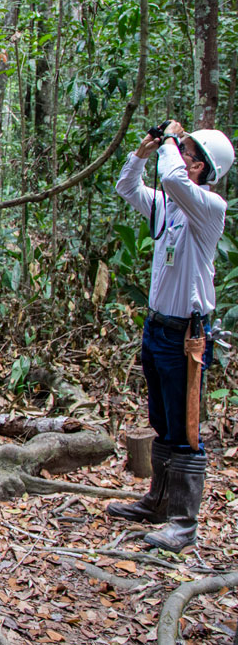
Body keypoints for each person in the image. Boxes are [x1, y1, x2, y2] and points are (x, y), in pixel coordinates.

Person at [109, 121, 233, 552]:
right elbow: (128, 187)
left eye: (187, 152)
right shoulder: (168, 206)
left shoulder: (207, 206)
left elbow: (173, 177)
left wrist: (170, 146)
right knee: (161, 419)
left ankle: (184, 521)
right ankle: (157, 503)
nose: (180, 156)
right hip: (157, 327)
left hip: (188, 337)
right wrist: (145, 150)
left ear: (200, 166)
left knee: (186, 427)